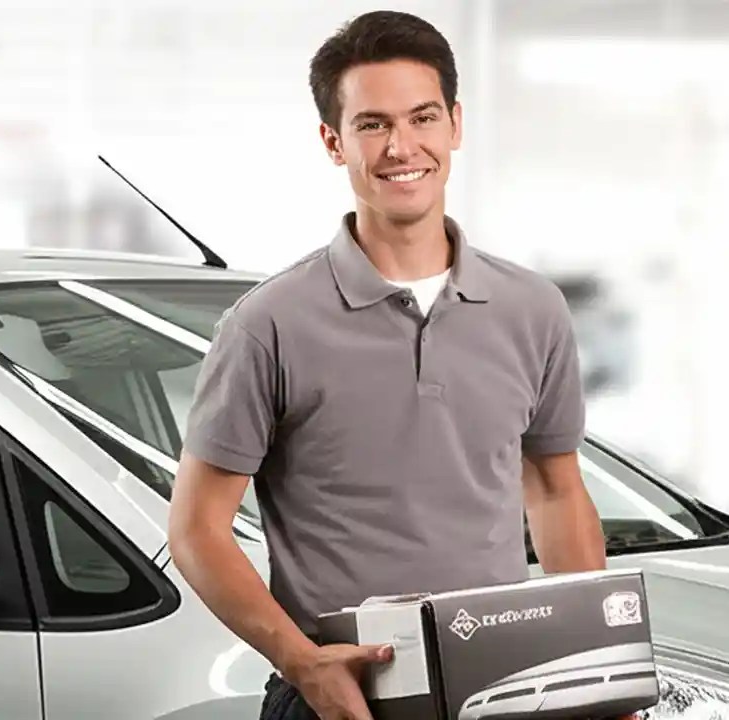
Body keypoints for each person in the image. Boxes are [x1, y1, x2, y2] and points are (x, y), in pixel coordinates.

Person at [167, 10, 624, 720]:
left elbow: (556, 493)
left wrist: (601, 665)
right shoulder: (269, 324)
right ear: (333, 141)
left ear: (456, 125)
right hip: (336, 696)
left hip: (502, 689)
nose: (401, 146)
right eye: (373, 124)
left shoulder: (533, 309)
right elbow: (196, 528)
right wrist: (302, 663)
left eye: (422, 117)